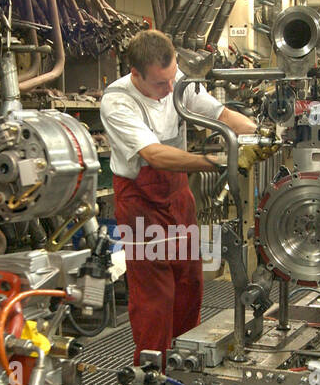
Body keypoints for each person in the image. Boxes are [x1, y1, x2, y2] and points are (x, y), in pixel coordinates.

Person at [99, 30, 257, 362]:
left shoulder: (177, 82)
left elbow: (221, 115)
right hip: (140, 204)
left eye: (173, 79)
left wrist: (260, 136)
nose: (170, 89)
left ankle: (185, 366)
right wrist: (216, 161)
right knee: (155, 299)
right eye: (160, 83)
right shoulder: (118, 101)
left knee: (189, 285)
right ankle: (153, 379)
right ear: (135, 74)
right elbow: (155, 155)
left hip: (178, 197)